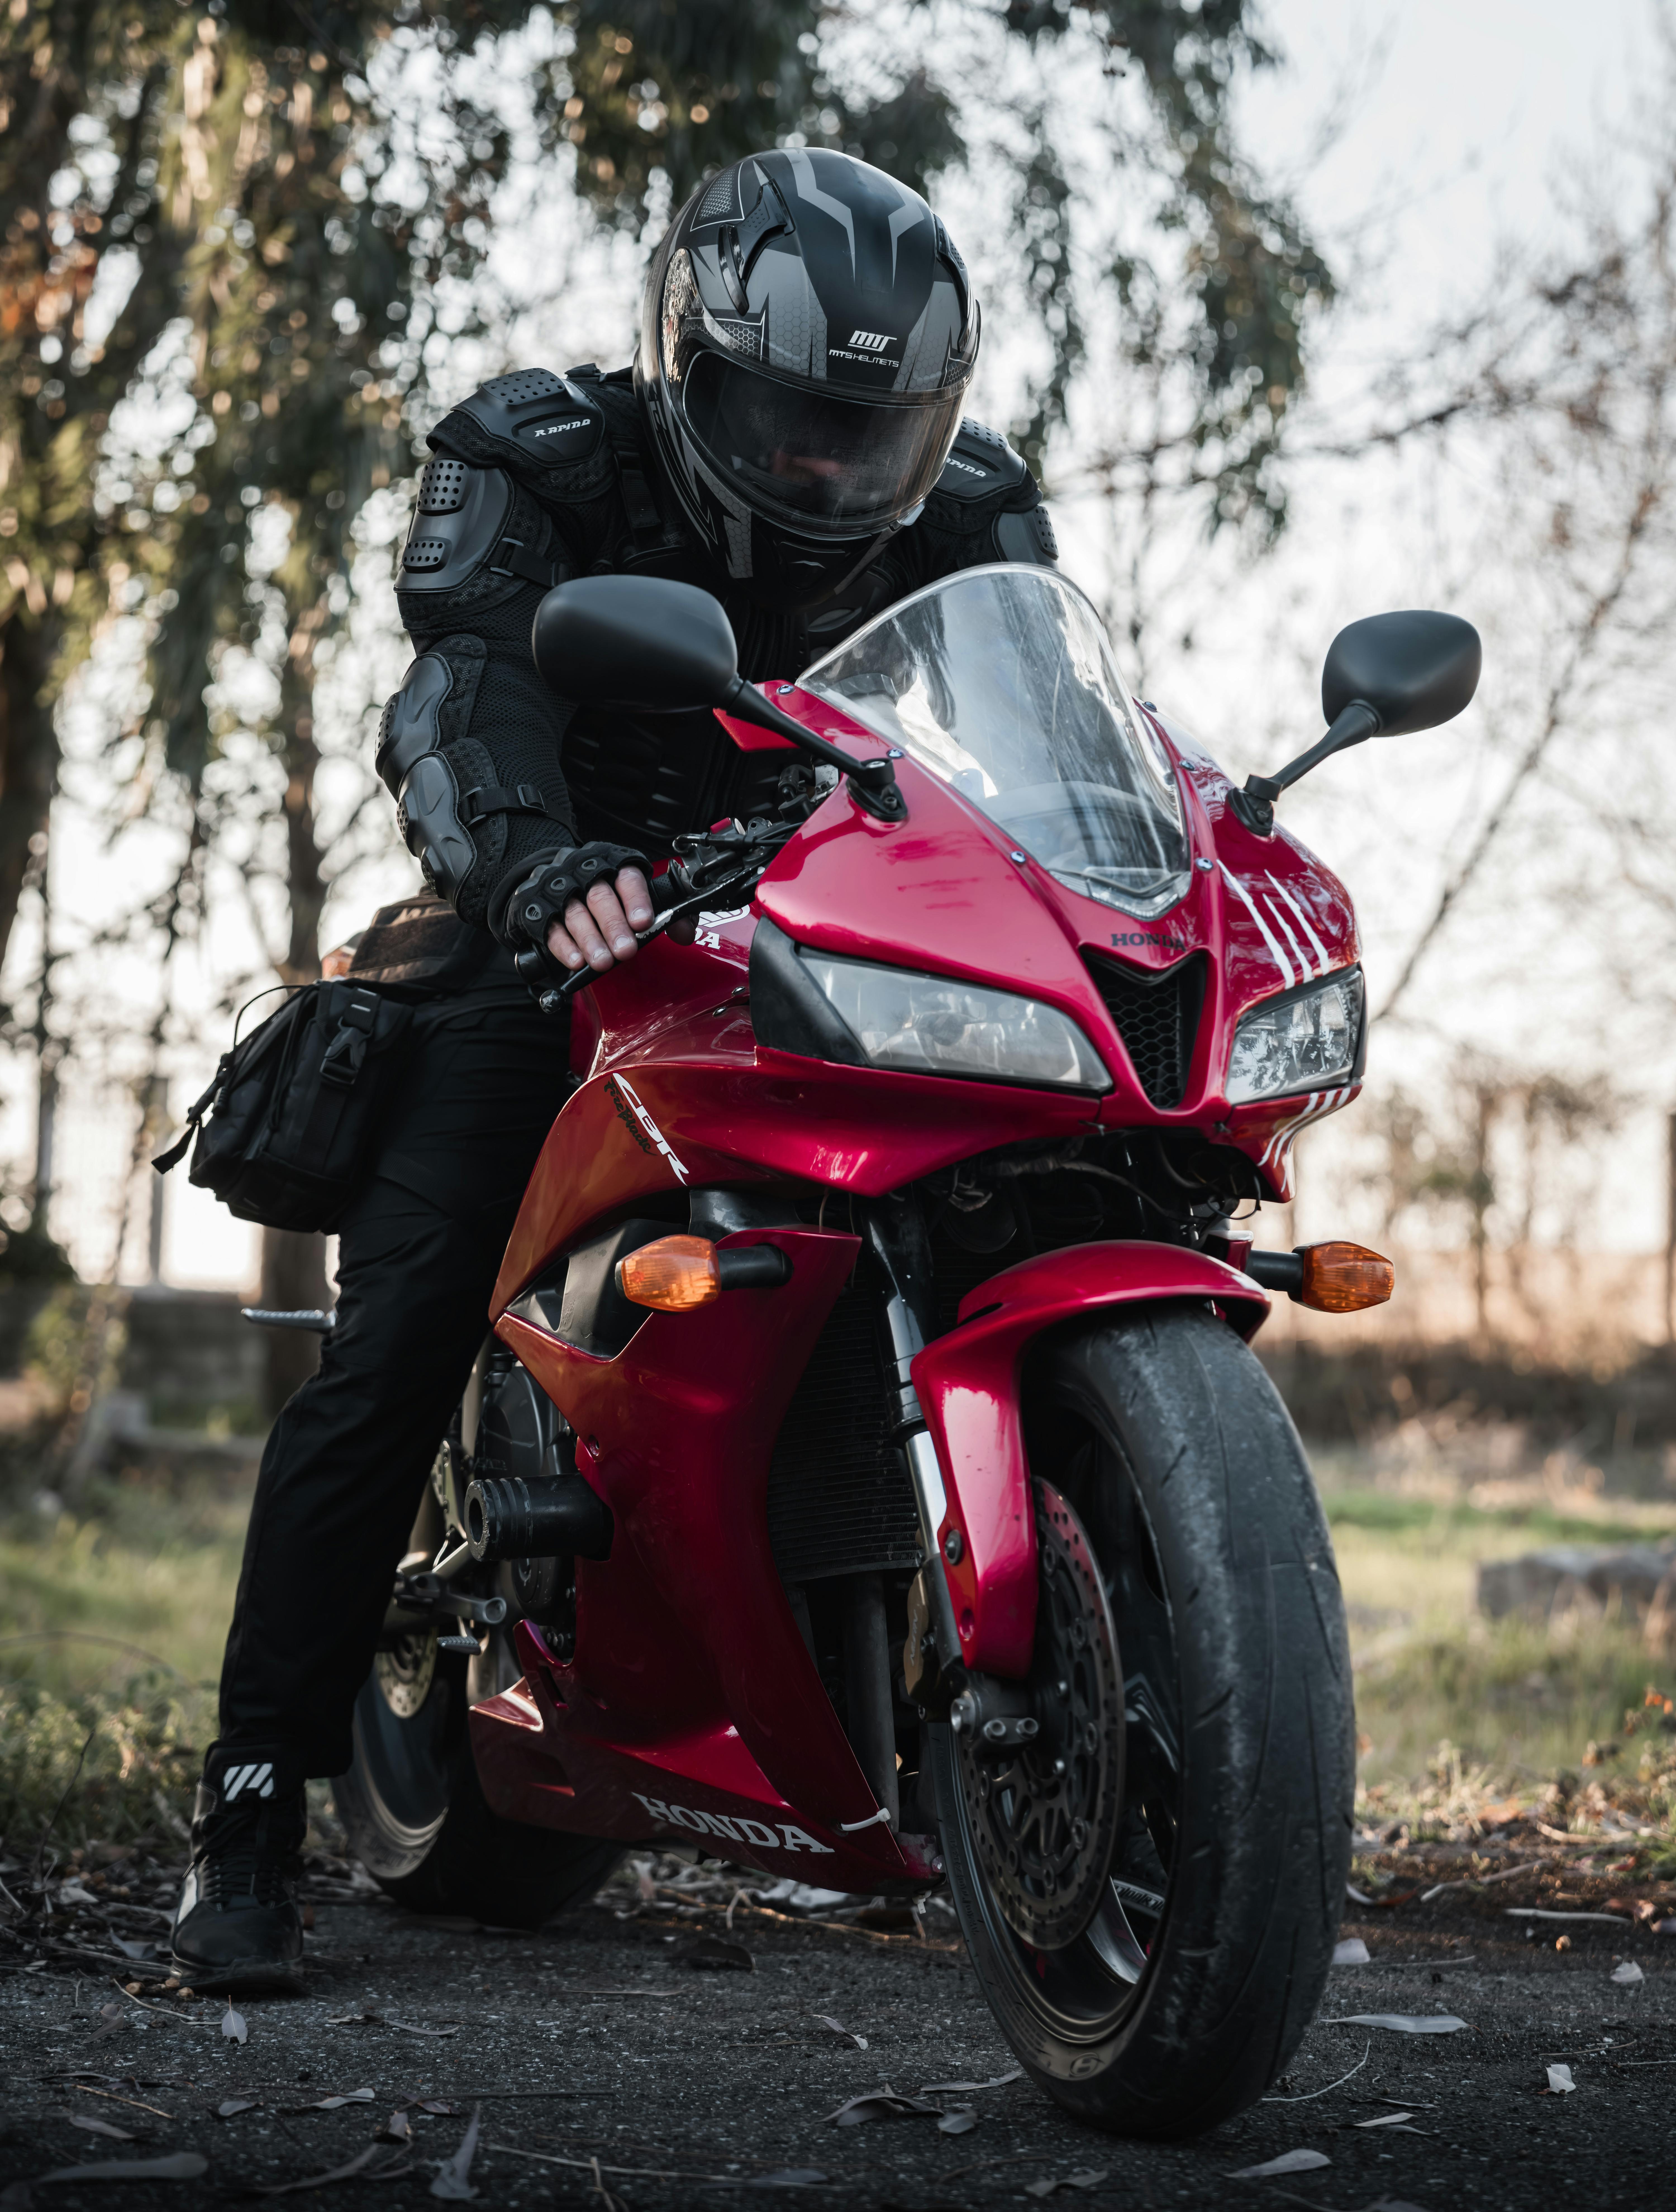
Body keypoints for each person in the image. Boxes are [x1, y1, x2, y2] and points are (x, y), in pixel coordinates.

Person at [170, 147, 1059, 1987]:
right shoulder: (545, 461)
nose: (826, 467)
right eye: (785, 418)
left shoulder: (972, 509)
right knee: (402, 1341)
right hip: (558, 940)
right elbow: (459, 692)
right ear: (687, 360)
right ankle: (250, 1811)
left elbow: (1031, 722)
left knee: (1031, 1207)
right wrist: (537, 866)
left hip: (838, 954)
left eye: (865, 430)